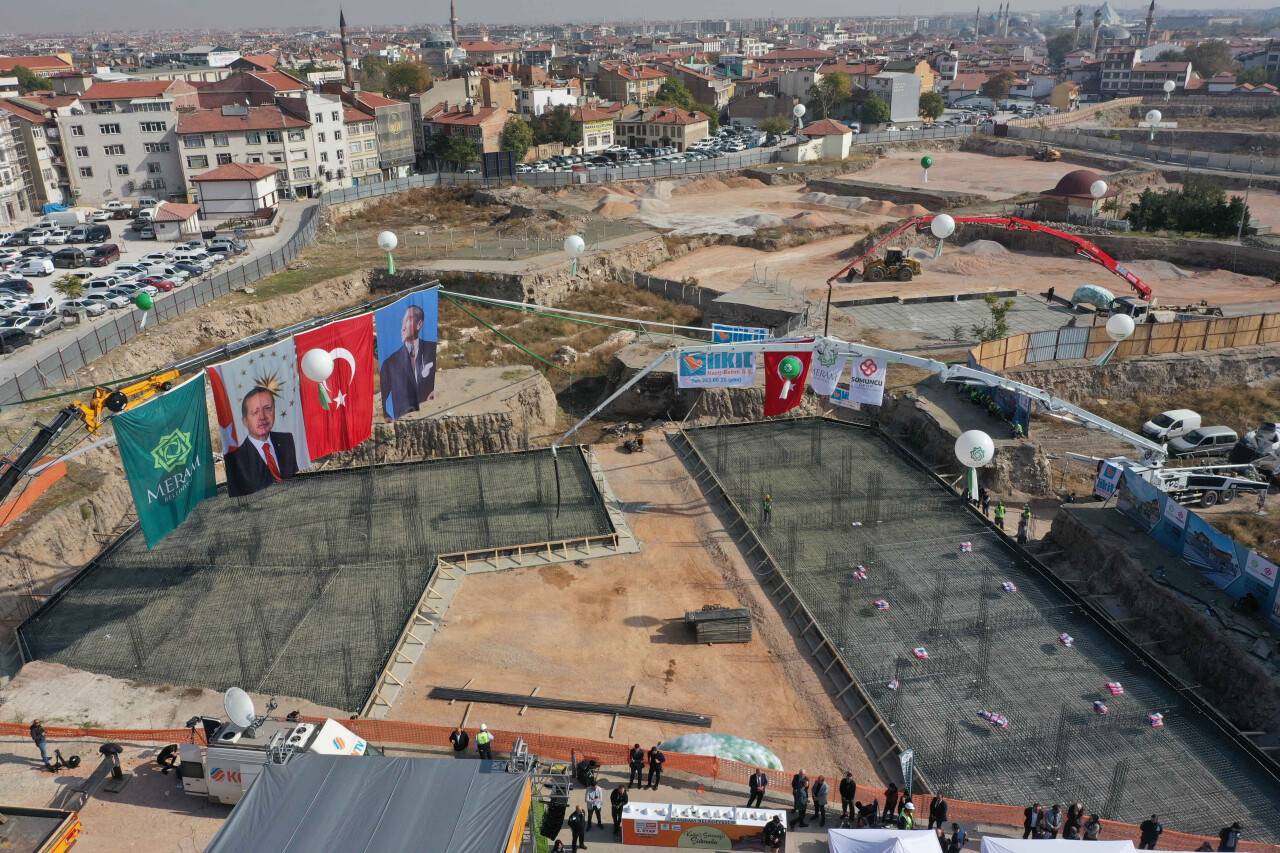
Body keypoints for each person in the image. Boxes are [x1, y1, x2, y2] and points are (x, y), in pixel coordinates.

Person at [225, 387, 299, 497]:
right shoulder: (234, 460)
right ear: (245, 421)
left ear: (274, 411)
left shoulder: (286, 440)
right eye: (255, 412)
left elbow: (294, 478)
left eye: (268, 408)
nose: (262, 417)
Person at [380, 302, 437, 419]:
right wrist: (387, 417)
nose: (403, 327)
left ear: (419, 324)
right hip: (405, 422)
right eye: (402, 322)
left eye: (408, 320)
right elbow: (383, 398)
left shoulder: (431, 349)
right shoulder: (390, 363)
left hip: (431, 415)